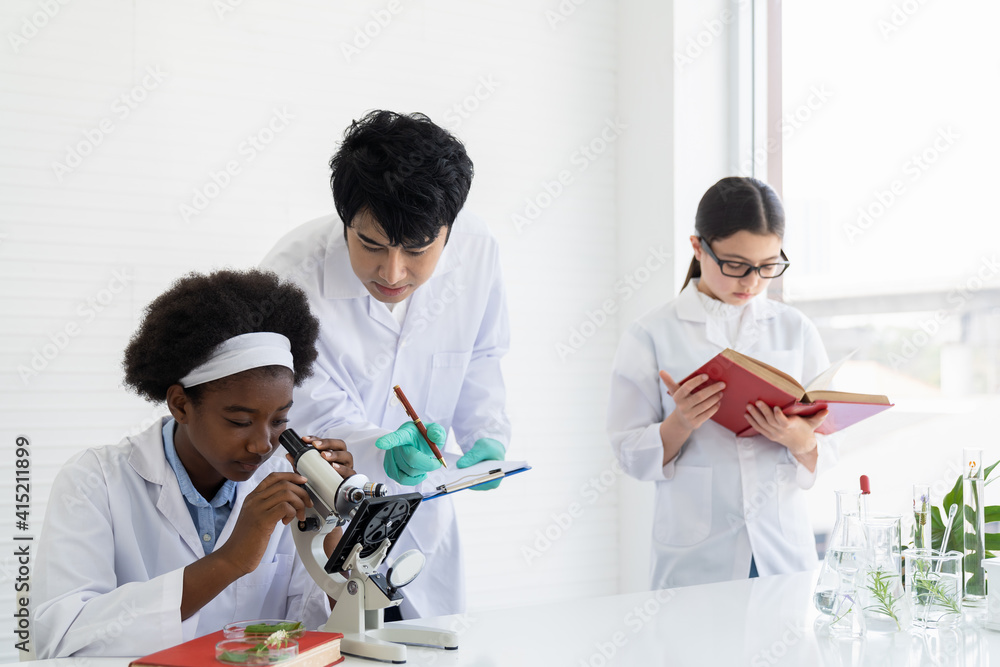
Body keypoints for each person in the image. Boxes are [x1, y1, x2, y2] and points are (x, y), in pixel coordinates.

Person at [261, 110, 511, 619]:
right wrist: (379, 449)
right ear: (344, 218)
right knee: (336, 638)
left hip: (424, 520)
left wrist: (488, 436)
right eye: (371, 245)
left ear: (450, 231)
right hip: (322, 515)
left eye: (417, 250)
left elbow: (483, 353)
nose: (392, 272)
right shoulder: (290, 276)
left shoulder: (478, 251)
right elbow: (300, 409)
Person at [32, 269, 355, 658]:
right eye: (239, 421)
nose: (262, 444)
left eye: (280, 420)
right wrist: (231, 560)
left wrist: (335, 522)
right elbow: (62, 637)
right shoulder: (94, 481)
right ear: (181, 405)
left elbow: (326, 631)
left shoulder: (290, 483)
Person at [606, 177, 837, 590]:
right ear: (698, 248)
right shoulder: (652, 333)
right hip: (697, 556)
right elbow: (627, 451)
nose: (751, 282)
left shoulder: (795, 329)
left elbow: (830, 444)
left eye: (768, 266)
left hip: (782, 552)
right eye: (736, 265)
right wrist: (680, 423)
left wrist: (800, 440)